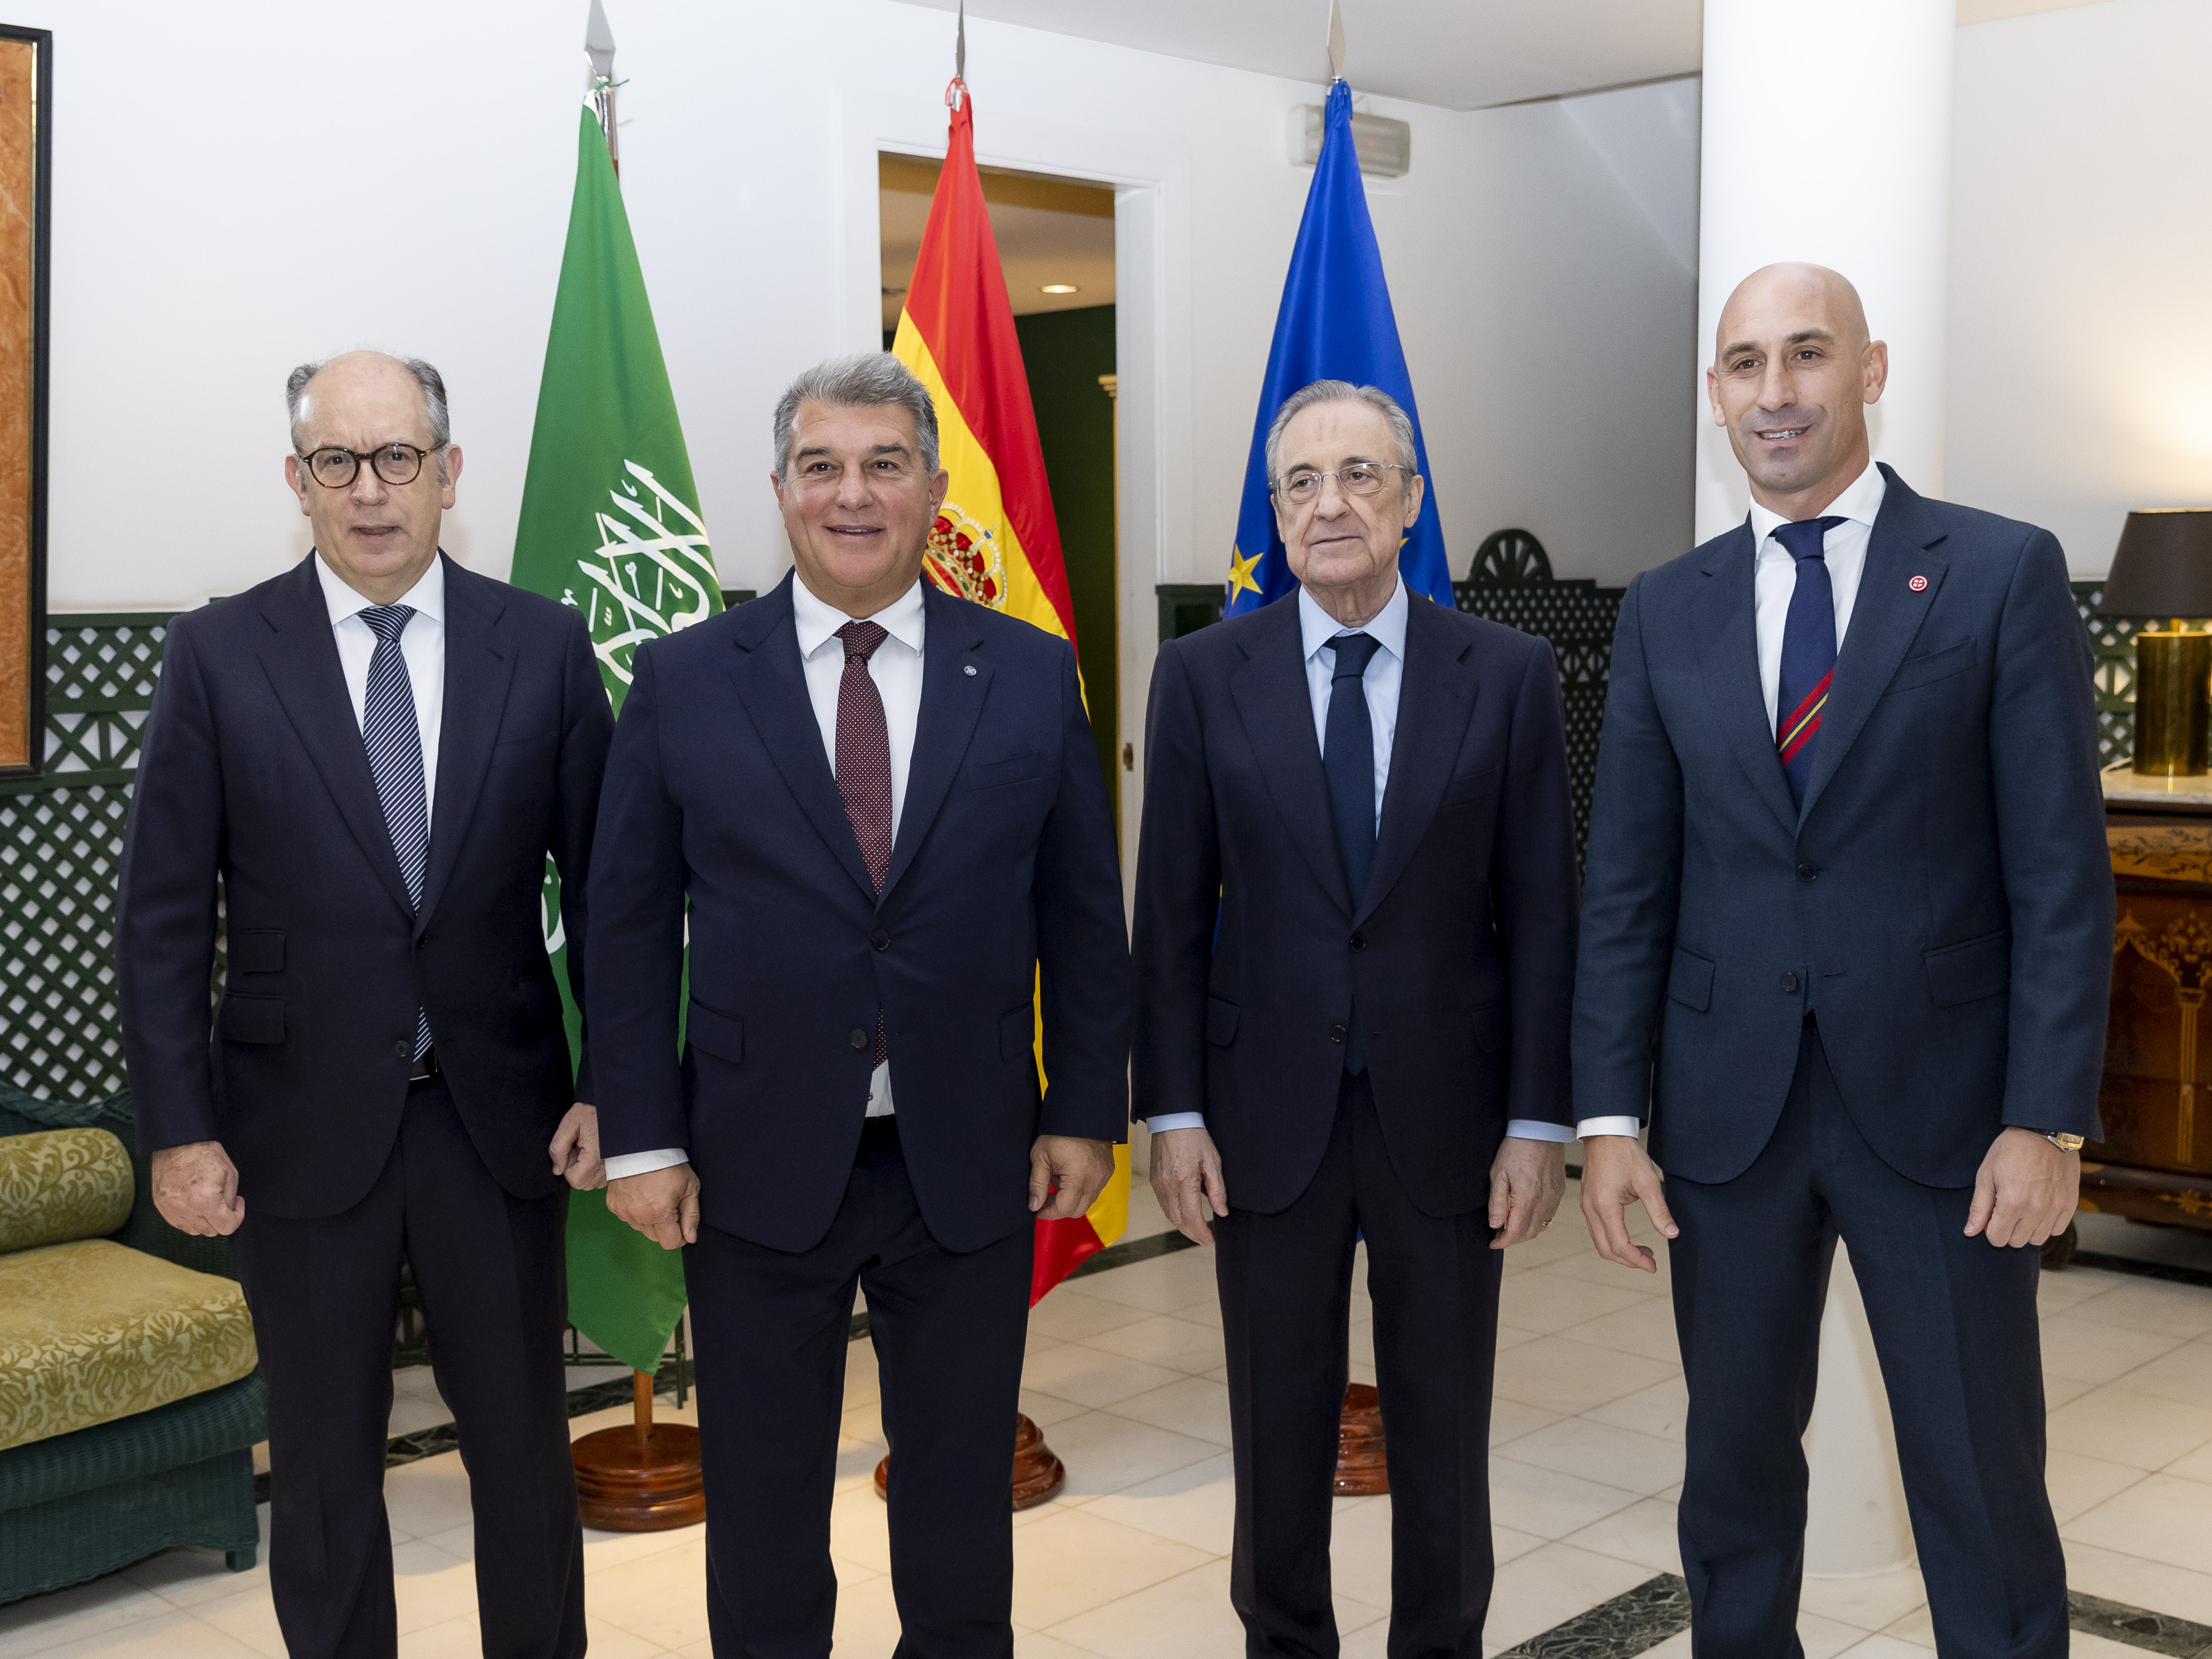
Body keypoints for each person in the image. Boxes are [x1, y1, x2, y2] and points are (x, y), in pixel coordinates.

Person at [1573, 263, 2109, 1658]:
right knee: (1733, 1477)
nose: (1774, 392)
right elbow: (1627, 881)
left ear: (1870, 372)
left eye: (1805, 356)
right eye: (1744, 364)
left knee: (1978, 1481)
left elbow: (2059, 871)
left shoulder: (1998, 570)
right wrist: (1610, 1120)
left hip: (1946, 1118)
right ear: (1714, 395)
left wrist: (2045, 1113)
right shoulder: (1664, 607)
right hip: (1725, 1115)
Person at [584, 352, 1129, 1656]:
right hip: (754, 1161)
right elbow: (625, 920)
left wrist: (1083, 1110)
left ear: (934, 487)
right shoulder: (685, 677)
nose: (853, 494)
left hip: (970, 1153)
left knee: (957, 1512)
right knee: (766, 1518)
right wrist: (645, 1138)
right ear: (779, 490)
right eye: (822, 466)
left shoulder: (1030, 671)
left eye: (885, 464)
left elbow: (1079, 914)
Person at [116, 351, 612, 1658]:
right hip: (292, 1131)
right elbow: (162, 915)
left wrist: (612, 1077)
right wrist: (178, 1126)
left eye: (399, 458)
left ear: (451, 474)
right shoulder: (221, 653)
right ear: (298, 480)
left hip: (496, 1123)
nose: (370, 490)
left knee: (520, 1455)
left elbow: (612, 890)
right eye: (337, 461)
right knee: (327, 1476)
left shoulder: (545, 648)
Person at [1132, 380, 1580, 1657]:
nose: (1330, 504)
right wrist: (1170, 1111)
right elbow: (1166, 914)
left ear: (1411, 500)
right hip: (1258, 1119)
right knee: (1277, 1433)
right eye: (1301, 484)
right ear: (1274, 516)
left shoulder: (1504, 675)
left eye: (1359, 477)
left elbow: (1545, 913)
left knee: (1441, 1436)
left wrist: (1538, 1120)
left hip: (1450, 1119)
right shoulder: (1202, 677)